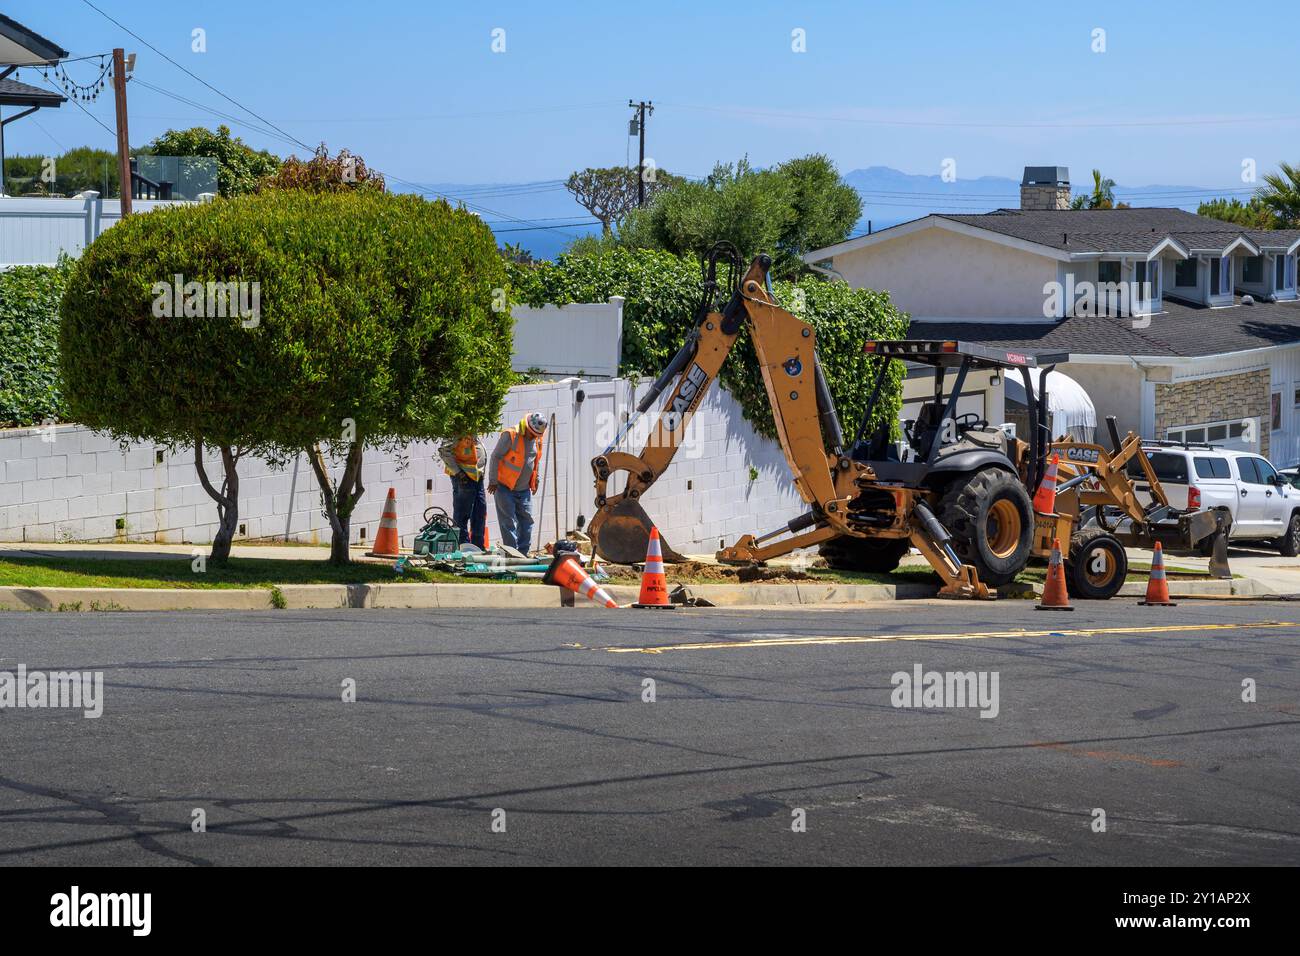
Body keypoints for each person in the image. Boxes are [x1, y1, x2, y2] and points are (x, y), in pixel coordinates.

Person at [488, 412, 547, 554]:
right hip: (504, 487)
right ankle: (512, 554)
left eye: (536, 435)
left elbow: (535, 462)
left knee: (527, 522)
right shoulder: (510, 435)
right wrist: (493, 480)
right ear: (526, 427)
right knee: (508, 523)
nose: (534, 437)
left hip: (524, 490)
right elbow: (495, 457)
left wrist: (536, 480)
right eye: (532, 434)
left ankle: (523, 553)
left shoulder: (537, 439)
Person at [438, 435, 487, 550]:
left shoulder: (472, 425)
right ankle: (463, 546)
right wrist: (459, 473)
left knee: (480, 512)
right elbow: (444, 451)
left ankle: (478, 546)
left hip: (477, 477)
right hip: (463, 477)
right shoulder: (457, 427)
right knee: (462, 514)